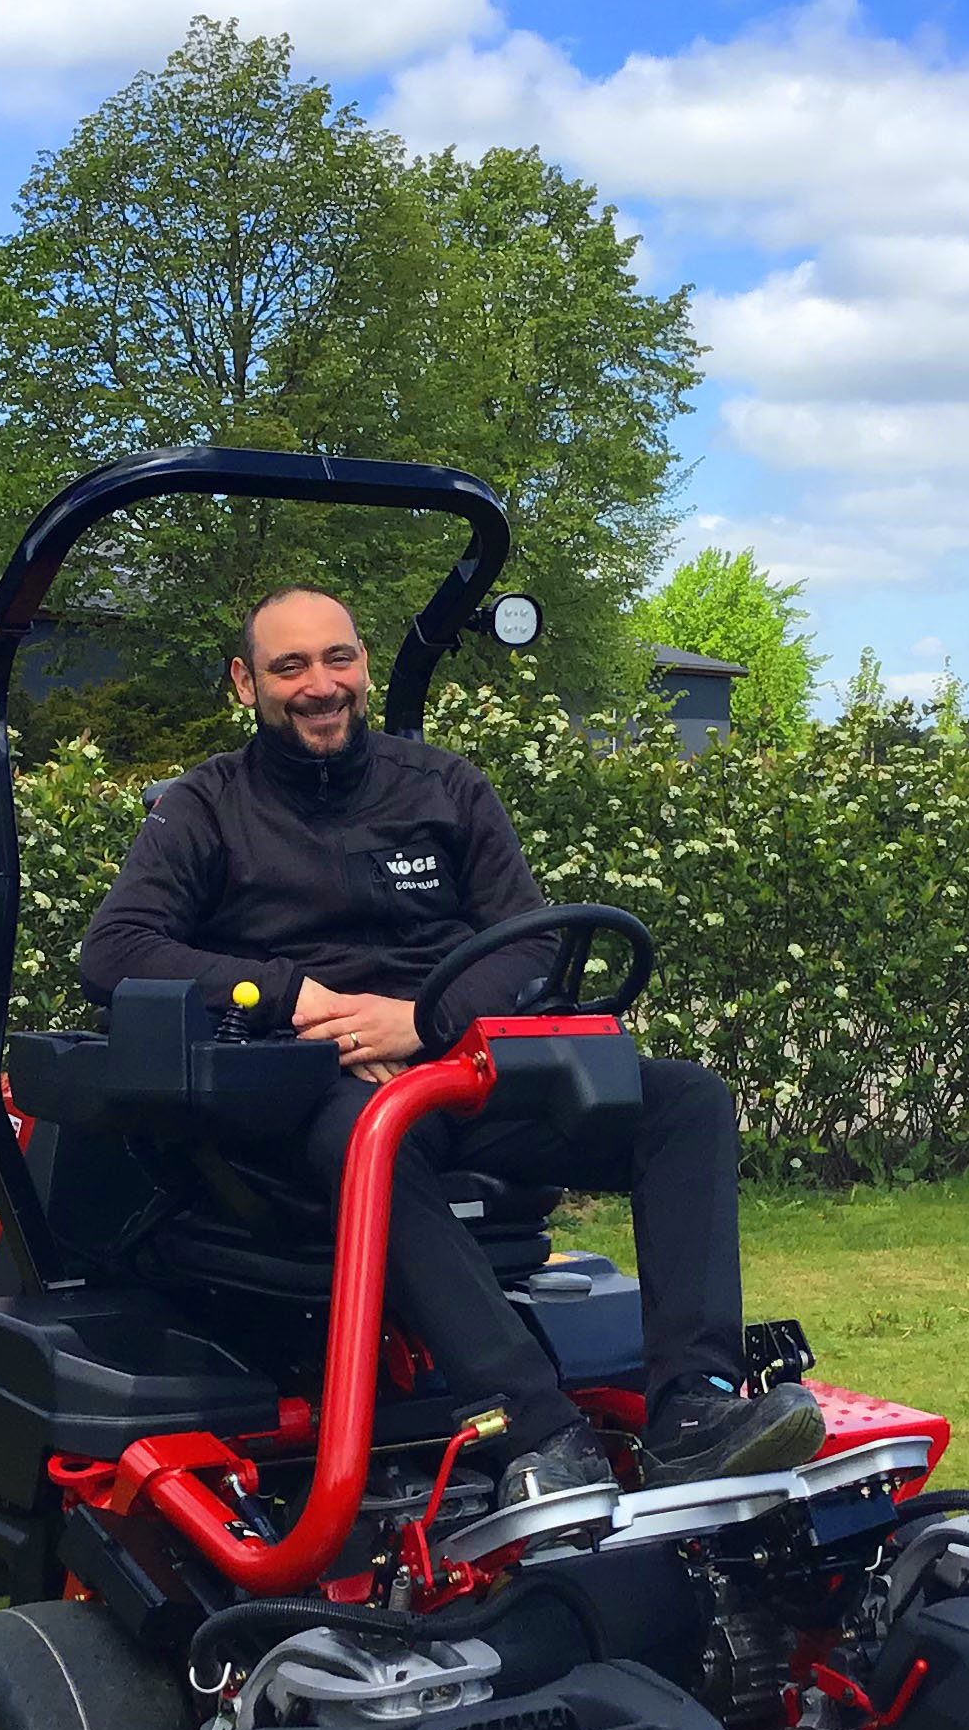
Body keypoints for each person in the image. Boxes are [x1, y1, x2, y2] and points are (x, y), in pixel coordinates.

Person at [78, 583, 823, 1509]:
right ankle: (537, 1428)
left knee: (683, 1100)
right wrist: (295, 996)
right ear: (246, 683)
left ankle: (693, 1409)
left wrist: (426, 1025)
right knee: (374, 1134)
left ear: (363, 664)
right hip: (320, 1093)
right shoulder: (208, 808)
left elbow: (527, 936)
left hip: (459, 1065)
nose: (321, 685)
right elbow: (115, 949)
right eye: (290, 666)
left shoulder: (443, 787)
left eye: (338, 658)